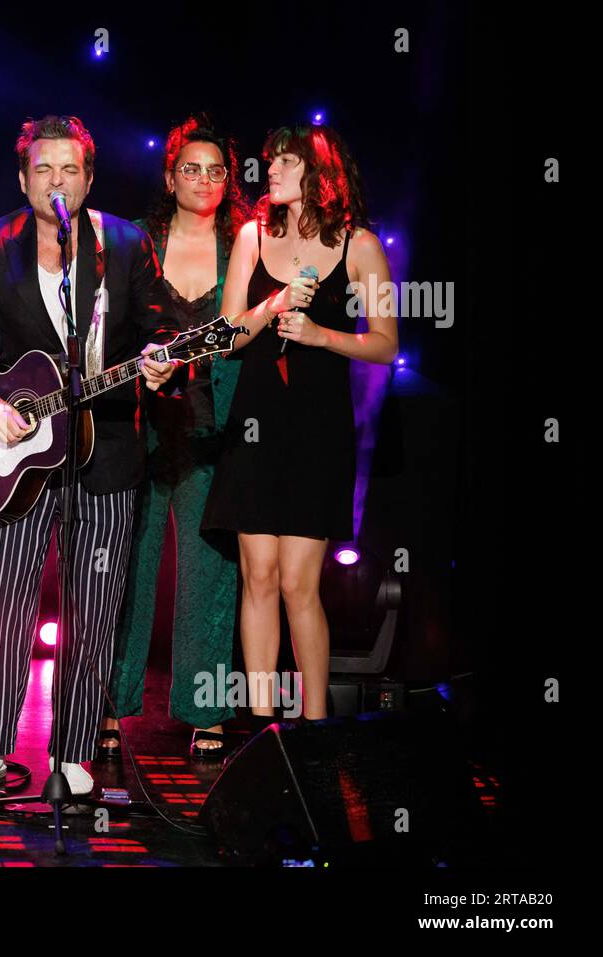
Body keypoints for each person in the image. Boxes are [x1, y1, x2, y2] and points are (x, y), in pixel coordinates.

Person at [0, 115, 177, 795]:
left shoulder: (124, 243)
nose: (55, 181)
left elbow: (162, 328)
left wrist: (159, 361)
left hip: (110, 449)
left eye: (70, 169)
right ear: (23, 177)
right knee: (4, 602)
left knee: (95, 608)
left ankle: (74, 753)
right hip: (18, 458)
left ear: (88, 178)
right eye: (43, 169)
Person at [201, 123, 397, 726]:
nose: (272, 171)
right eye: (271, 161)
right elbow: (223, 338)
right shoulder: (251, 235)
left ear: (320, 173)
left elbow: (386, 344)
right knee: (257, 577)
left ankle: (315, 730)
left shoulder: (360, 245)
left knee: (296, 585)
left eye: (286, 161)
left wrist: (319, 334)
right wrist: (274, 306)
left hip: (317, 430)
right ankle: (261, 727)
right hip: (255, 425)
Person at [102, 115, 250, 760]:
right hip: (137, 425)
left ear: (228, 180)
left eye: (216, 169)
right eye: (191, 167)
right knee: (124, 570)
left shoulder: (247, 243)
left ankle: (206, 710)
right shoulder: (137, 241)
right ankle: (108, 704)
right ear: (170, 175)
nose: (203, 179)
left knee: (210, 576)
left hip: (212, 427)